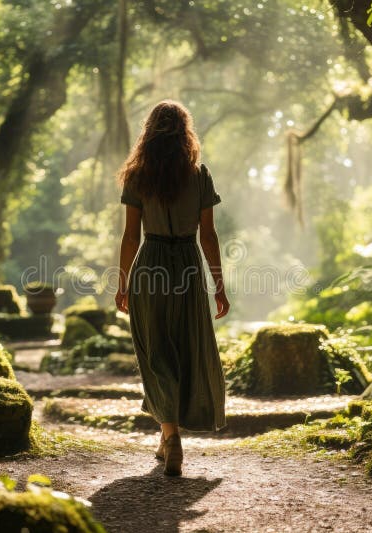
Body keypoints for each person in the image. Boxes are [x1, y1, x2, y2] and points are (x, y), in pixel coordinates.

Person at [115, 99, 229, 477]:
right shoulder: (199, 174)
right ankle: (170, 438)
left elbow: (131, 236)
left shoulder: (137, 176)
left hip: (149, 266)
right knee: (185, 346)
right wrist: (219, 285)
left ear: (148, 133)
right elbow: (208, 236)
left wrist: (124, 282)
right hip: (187, 267)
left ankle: (170, 437)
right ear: (185, 132)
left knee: (156, 351)